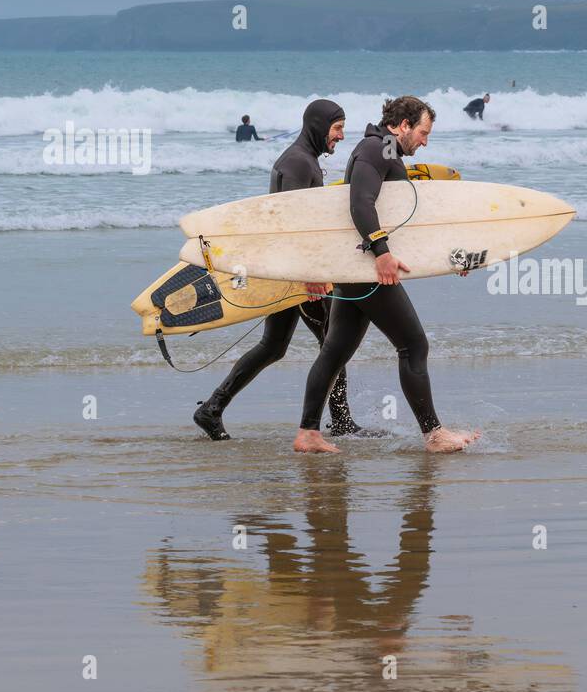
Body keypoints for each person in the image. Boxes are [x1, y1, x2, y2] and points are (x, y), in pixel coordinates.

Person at [295, 95, 480, 455]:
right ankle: (434, 435)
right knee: (413, 345)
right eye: (423, 132)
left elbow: (402, 219)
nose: (425, 141)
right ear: (403, 126)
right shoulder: (376, 149)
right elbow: (360, 203)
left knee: (334, 352)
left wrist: (449, 258)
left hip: (355, 269)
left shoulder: (386, 151)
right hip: (368, 271)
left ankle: (308, 433)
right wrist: (381, 255)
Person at [193, 99, 375, 441]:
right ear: (319, 126)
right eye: (337, 129)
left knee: (274, 346)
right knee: (332, 343)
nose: (340, 137)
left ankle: (212, 408)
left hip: (288, 269)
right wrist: (309, 273)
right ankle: (342, 422)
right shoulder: (297, 162)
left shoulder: (304, 160)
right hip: (296, 272)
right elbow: (289, 221)